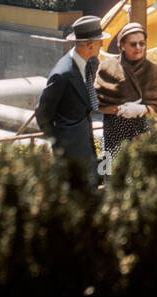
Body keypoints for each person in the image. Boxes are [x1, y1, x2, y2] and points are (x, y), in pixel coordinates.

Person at [34, 15, 108, 186]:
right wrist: (59, 143)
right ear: (90, 45)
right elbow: (42, 113)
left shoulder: (90, 64)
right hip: (70, 154)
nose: (102, 46)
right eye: (99, 42)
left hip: (85, 147)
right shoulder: (62, 74)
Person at [95, 21, 157, 160]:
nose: (138, 47)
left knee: (141, 177)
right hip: (114, 133)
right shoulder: (107, 66)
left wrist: (140, 109)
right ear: (122, 45)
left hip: (143, 133)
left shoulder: (153, 71)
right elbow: (98, 104)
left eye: (142, 43)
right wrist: (119, 109)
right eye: (133, 44)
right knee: (111, 174)